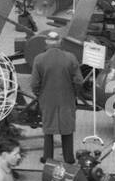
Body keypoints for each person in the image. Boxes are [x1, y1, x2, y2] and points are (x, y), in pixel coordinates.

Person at [30, 31, 81, 164]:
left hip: (47, 99)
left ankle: (47, 158)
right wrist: (74, 93)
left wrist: (39, 94)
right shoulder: (70, 57)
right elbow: (78, 80)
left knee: (48, 128)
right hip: (67, 98)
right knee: (67, 127)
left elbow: (34, 83)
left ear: (46, 42)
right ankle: (69, 158)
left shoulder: (39, 59)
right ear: (60, 42)